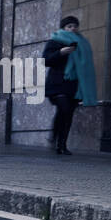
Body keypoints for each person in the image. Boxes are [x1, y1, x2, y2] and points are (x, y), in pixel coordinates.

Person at [43, 15, 96, 155]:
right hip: (58, 84)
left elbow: (86, 66)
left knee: (68, 113)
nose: (73, 28)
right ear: (63, 28)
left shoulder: (82, 43)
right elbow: (45, 60)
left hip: (74, 85)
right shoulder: (55, 41)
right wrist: (60, 52)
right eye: (69, 26)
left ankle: (61, 144)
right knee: (64, 109)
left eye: (75, 26)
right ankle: (55, 139)